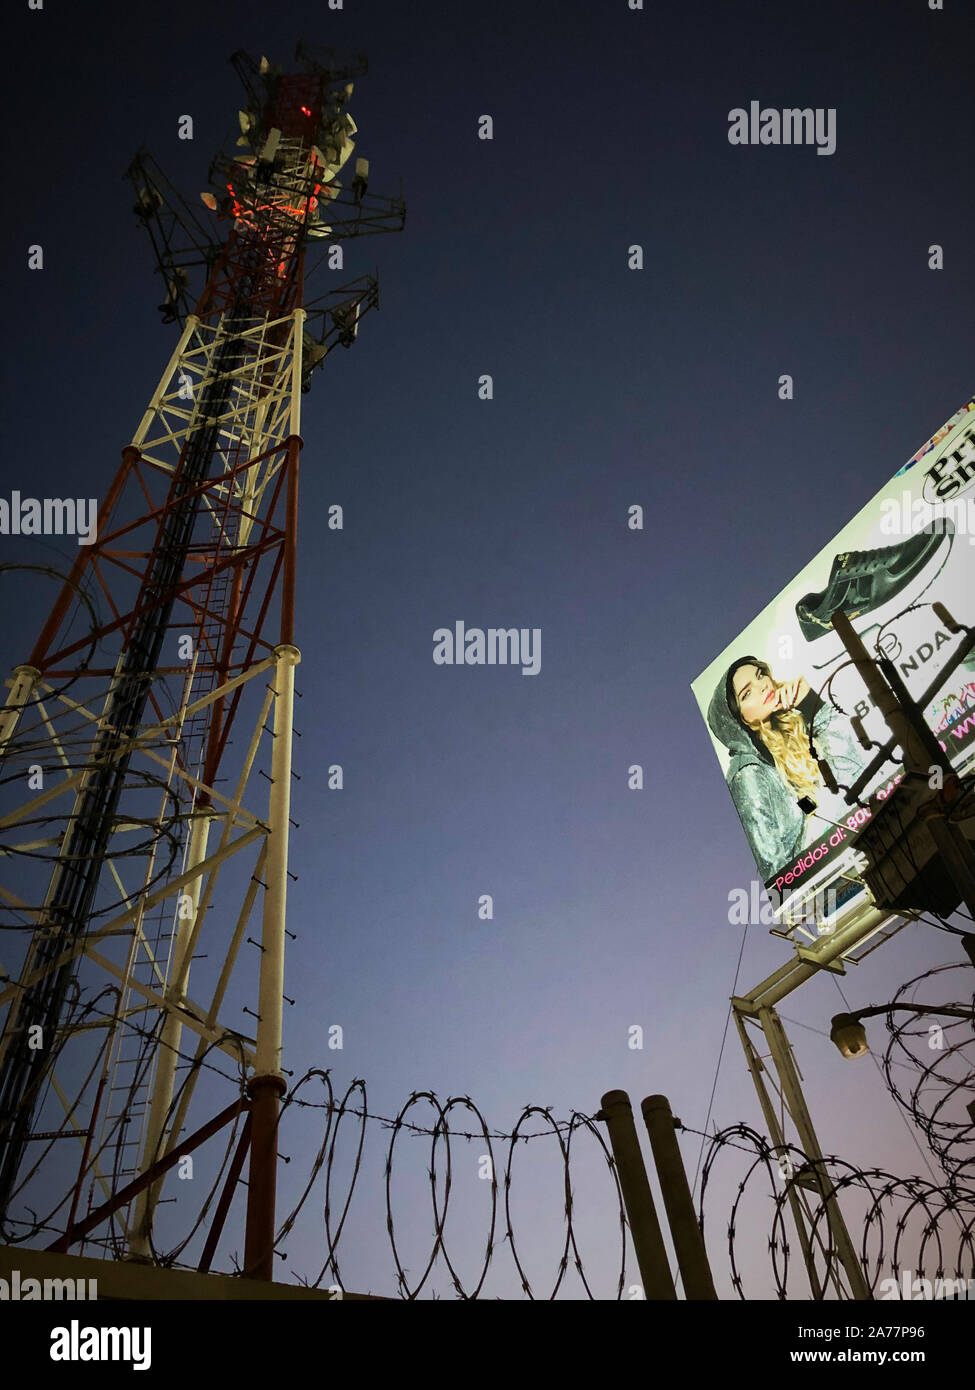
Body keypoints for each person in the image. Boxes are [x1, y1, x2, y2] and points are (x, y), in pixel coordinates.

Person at [707, 656, 870, 880]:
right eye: (747, 693)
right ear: (739, 720)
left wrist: (812, 704)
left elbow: (857, 771)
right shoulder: (747, 775)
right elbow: (777, 875)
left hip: (863, 842)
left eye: (760, 675)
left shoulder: (791, 724)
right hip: (830, 882)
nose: (763, 685)